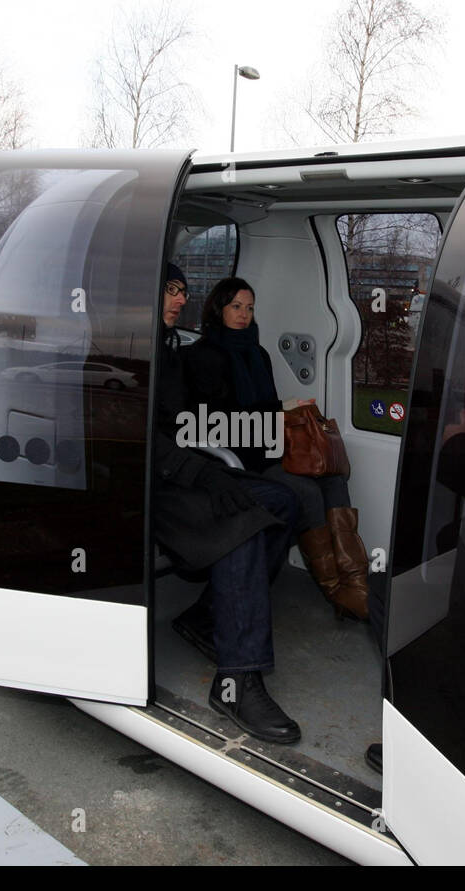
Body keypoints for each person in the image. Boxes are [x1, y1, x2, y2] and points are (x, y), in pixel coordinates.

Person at [151, 263, 302, 744]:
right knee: (239, 524)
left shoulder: (169, 349)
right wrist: (204, 470)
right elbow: (139, 436)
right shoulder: (131, 351)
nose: (178, 300)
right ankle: (236, 681)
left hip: (191, 468)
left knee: (282, 502)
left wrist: (213, 462)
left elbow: (184, 424)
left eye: (182, 291)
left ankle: (204, 617)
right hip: (151, 487)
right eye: (168, 291)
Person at [184, 276, 371, 620]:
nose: (244, 315)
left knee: (332, 479)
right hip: (236, 454)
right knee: (307, 492)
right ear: (218, 309)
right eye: (236, 307)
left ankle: (356, 583)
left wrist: (287, 412)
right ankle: (336, 591)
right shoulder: (203, 356)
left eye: (250, 308)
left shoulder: (259, 353)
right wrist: (278, 410)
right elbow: (212, 421)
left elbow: (269, 411)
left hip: (270, 444)